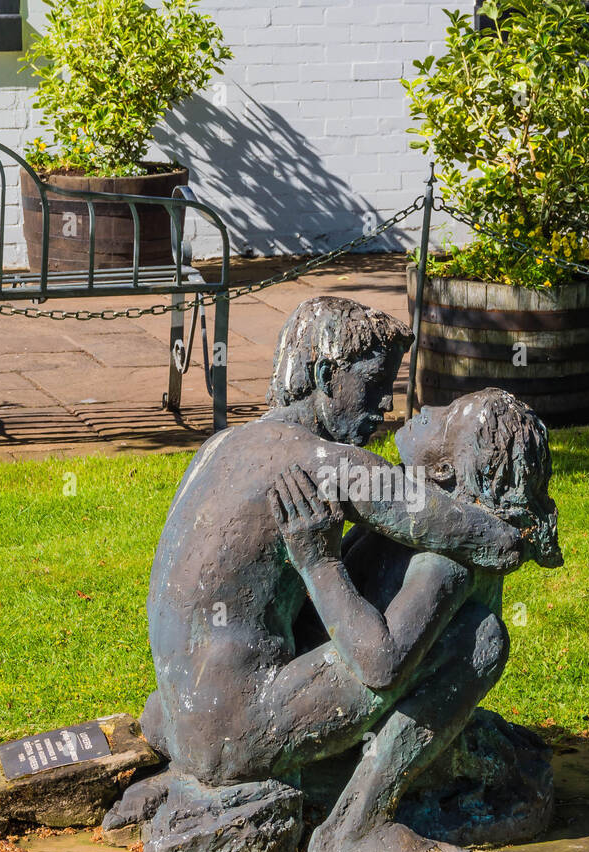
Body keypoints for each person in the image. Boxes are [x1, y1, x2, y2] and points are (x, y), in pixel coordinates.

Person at [142, 298, 528, 799]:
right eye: (373, 387)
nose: (386, 407)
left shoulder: (223, 444)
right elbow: (487, 540)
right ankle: (364, 821)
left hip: (180, 716)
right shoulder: (331, 465)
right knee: (478, 637)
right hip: (233, 732)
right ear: (326, 375)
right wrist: (523, 522)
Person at [271, 388, 561, 852]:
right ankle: (365, 809)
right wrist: (318, 562)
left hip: (308, 698)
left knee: (480, 640)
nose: (427, 409)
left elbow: (381, 663)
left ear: (444, 471)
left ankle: (355, 825)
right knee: (481, 640)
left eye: (444, 419)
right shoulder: (430, 521)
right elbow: (377, 658)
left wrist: (319, 563)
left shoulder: (441, 562)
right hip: (296, 699)